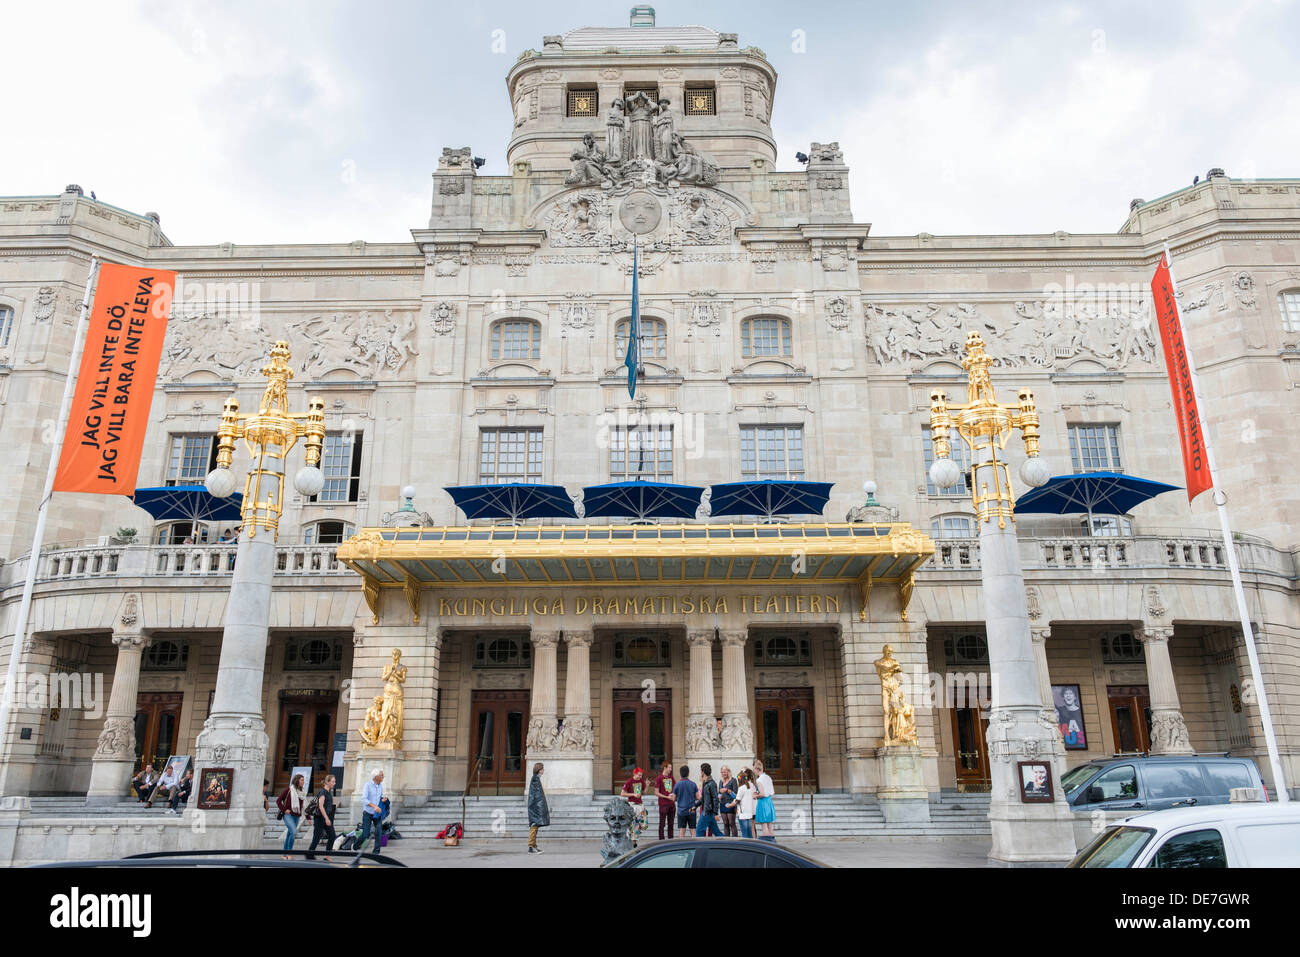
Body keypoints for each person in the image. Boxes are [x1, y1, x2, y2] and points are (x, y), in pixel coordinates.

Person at [307, 773, 336, 861]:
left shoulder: (328, 792)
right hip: (320, 818)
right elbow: (320, 806)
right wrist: (326, 818)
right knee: (317, 837)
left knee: (332, 836)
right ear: (327, 782)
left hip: (327, 817)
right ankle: (310, 854)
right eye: (333, 781)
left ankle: (327, 856)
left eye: (335, 781)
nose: (334, 783)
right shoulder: (322, 792)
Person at [278, 773, 306, 858]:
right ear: (297, 781)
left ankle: (284, 854)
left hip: (297, 816)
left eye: (304, 780)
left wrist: (308, 817)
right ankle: (289, 852)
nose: (303, 782)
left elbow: (304, 806)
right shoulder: (289, 790)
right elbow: (278, 801)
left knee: (290, 834)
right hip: (288, 815)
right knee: (293, 831)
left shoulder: (302, 792)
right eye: (302, 780)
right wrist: (284, 810)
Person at [358, 769, 385, 855]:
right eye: (382, 775)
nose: (383, 777)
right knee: (366, 834)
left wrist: (383, 800)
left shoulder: (381, 786)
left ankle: (376, 852)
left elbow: (380, 797)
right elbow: (364, 799)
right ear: (376, 777)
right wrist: (374, 806)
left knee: (379, 832)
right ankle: (355, 846)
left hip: (377, 814)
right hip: (368, 813)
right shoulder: (367, 785)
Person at [620, 766, 648, 847]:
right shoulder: (629, 782)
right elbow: (622, 793)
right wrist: (633, 794)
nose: (640, 777)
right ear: (635, 774)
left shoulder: (641, 781)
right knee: (634, 824)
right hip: (632, 805)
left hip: (640, 805)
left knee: (643, 824)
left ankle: (634, 839)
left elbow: (644, 792)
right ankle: (633, 842)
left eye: (641, 775)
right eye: (639, 775)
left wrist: (647, 785)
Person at [695, 763, 724, 837]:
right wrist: (695, 806)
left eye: (700, 770)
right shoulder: (705, 782)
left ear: (702, 772)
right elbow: (703, 798)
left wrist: (716, 813)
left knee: (699, 831)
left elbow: (715, 799)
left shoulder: (712, 783)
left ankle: (700, 848)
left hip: (708, 812)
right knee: (716, 832)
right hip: (708, 811)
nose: (700, 772)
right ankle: (728, 844)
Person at [527, 763, 549, 854]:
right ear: (539, 769)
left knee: (535, 826)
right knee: (534, 826)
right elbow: (536, 796)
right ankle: (531, 847)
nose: (543, 770)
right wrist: (539, 808)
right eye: (542, 769)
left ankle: (534, 846)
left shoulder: (536, 778)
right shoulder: (535, 779)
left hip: (535, 806)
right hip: (535, 807)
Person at [753, 758, 777, 842]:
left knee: (764, 827)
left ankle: (768, 844)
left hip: (763, 802)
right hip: (769, 802)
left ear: (757, 769)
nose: (754, 772)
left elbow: (762, 794)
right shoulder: (768, 777)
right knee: (770, 826)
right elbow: (771, 791)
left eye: (754, 770)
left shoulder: (759, 780)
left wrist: (755, 796)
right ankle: (774, 843)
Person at [672, 765, 698, 836]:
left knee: (682, 831)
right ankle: (694, 846)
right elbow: (697, 797)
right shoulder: (693, 784)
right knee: (693, 831)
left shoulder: (677, 785)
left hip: (681, 810)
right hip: (691, 810)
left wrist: (679, 797)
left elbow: (673, 799)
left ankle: (682, 847)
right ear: (688, 773)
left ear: (680, 773)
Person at [654, 761, 676, 840]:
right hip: (663, 804)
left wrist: (673, 795)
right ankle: (661, 841)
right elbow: (656, 793)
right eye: (669, 767)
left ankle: (670, 840)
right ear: (665, 768)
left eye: (671, 767)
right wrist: (667, 797)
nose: (671, 769)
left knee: (671, 824)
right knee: (662, 824)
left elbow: (674, 789)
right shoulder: (659, 778)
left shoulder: (671, 777)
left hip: (671, 804)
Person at [734, 769, 757, 838]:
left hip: (744, 813)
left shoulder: (742, 788)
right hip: (751, 811)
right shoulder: (752, 786)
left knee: (745, 833)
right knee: (750, 830)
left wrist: (731, 804)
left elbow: (737, 800)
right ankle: (753, 844)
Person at [718, 765, 739, 837]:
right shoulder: (721, 781)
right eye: (722, 772)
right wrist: (719, 796)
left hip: (731, 804)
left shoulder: (733, 780)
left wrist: (727, 790)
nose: (723, 773)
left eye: (725, 772)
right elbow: (719, 792)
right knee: (725, 823)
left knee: (731, 823)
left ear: (728, 772)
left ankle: (735, 841)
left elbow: (736, 795)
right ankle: (727, 841)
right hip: (722, 804)